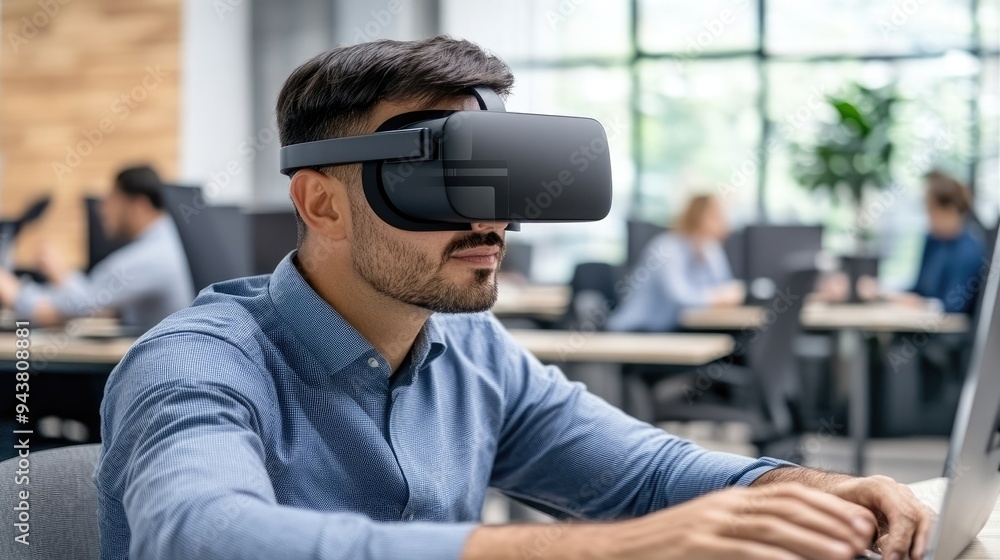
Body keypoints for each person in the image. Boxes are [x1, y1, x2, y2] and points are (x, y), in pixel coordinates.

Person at [95, 37, 934, 560]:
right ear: (321, 203)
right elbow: (201, 538)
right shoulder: (197, 363)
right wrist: (597, 553)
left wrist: (799, 486)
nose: (491, 218)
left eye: (499, 179)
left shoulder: (473, 355)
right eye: (440, 178)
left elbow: (645, 477)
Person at [0, 165, 194, 331]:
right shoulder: (166, 243)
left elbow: (83, 304)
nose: (102, 209)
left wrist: (14, 289)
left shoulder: (150, 257)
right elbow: (93, 302)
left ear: (139, 205)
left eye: (111, 199)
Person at [607, 194, 745, 332]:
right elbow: (680, 298)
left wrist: (712, 253)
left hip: (671, 331)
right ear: (700, 218)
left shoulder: (709, 249)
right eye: (718, 216)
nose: (726, 224)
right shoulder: (666, 249)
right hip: (637, 330)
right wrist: (716, 297)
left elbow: (727, 289)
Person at [899, 171, 986, 314]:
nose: (928, 219)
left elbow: (954, 306)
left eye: (931, 211)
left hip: (944, 332)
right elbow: (918, 290)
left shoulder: (970, 251)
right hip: (916, 323)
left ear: (950, 211)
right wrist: (886, 293)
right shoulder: (933, 242)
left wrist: (921, 305)